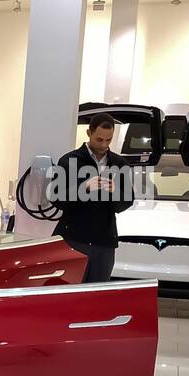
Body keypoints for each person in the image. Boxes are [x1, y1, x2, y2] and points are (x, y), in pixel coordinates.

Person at [51, 113, 135, 283]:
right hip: (72, 239)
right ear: (89, 133)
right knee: (68, 292)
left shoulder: (120, 165)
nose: (104, 144)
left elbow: (125, 203)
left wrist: (115, 192)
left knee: (97, 296)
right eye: (99, 139)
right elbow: (56, 198)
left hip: (103, 242)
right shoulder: (69, 161)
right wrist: (84, 188)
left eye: (108, 140)